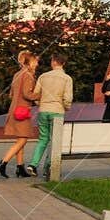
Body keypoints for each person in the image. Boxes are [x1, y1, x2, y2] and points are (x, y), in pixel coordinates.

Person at [29, 51, 74, 179]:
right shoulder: (67, 79)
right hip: (57, 112)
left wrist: (41, 104)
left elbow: (36, 95)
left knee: (43, 139)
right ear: (63, 63)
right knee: (54, 141)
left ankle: (33, 164)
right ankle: (48, 168)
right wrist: (66, 107)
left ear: (53, 62)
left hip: (43, 110)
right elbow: (67, 98)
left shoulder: (43, 77)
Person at [0, 51, 40, 178]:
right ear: (29, 62)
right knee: (23, 139)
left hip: (14, 109)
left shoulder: (17, 74)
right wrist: (40, 95)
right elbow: (27, 94)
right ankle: (3, 163)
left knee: (21, 138)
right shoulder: (28, 76)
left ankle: (20, 167)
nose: (37, 63)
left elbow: (11, 94)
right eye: (35, 61)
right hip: (22, 111)